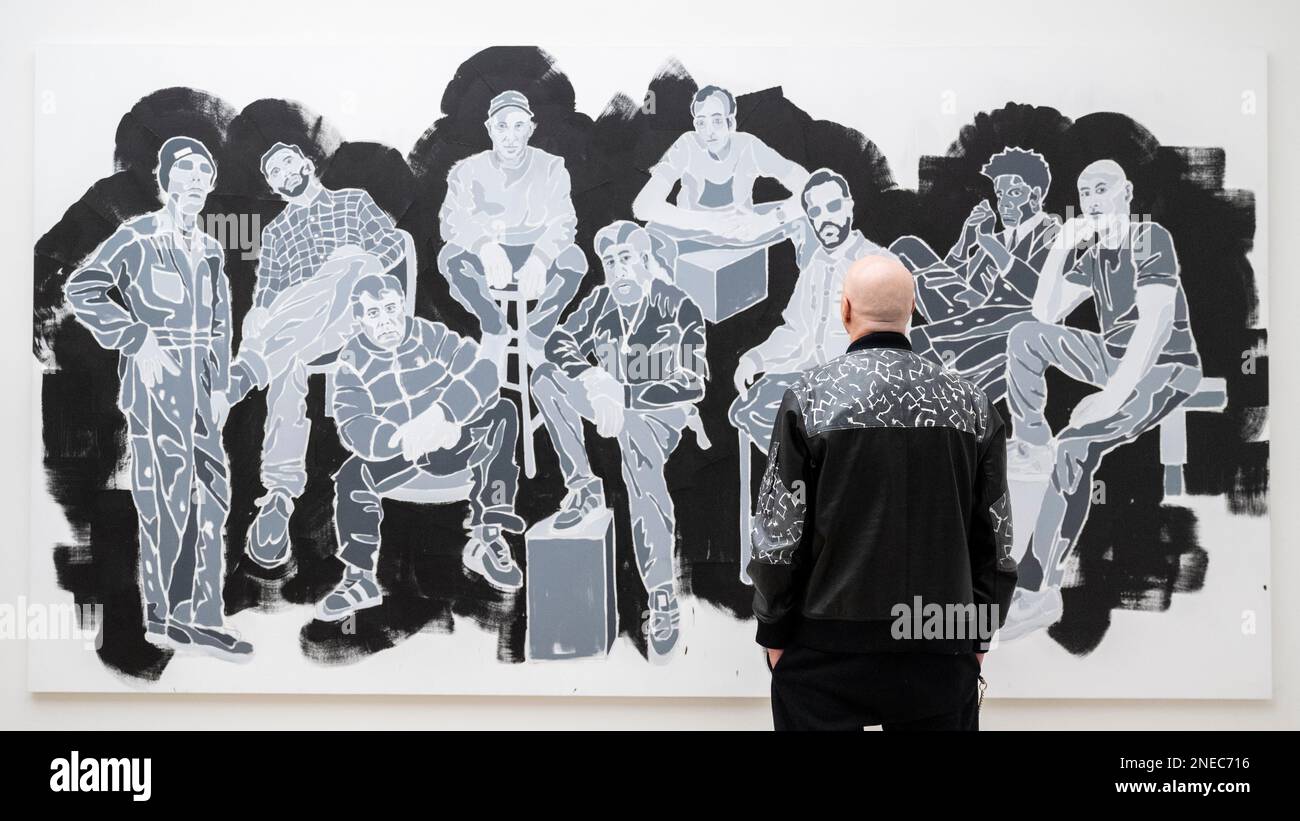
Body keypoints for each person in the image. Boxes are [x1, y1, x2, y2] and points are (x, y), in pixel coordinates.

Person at [749, 255, 1017, 730]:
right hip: (939, 644)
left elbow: (777, 535)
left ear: (845, 309)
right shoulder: (971, 403)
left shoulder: (810, 399)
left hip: (825, 651)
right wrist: (978, 635)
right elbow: (996, 539)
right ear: (912, 308)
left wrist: (773, 630)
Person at [64, 136, 252, 661]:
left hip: (202, 389)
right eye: (185, 170)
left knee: (213, 496)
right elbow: (83, 286)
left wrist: (219, 386)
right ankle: (167, 618)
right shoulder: (138, 236)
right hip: (155, 384)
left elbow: (220, 325)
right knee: (166, 500)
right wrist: (135, 337)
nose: (195, 180)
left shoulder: (210, 248)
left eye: (204, 173)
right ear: (165, 179)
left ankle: (202, 616)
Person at [999, 159, 1202, 639]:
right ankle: (1030, 440)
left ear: (1126, 193)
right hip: (1114, 355)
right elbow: (1045, 311)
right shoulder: (1096, 254)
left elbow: (1153, 329)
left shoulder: (1150, 239)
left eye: (1102, 189)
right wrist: (1061, 247)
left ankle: (1036, 588)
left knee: (1076, 447)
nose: (1092, 199)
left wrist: (1111, 398)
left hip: (1166, 366)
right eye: (1084, 191)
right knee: (1026, 335)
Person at [530, 220, 708, 661]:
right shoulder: (601, 300)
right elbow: (559, 343)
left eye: (625, 259)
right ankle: (584, 488)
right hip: (606, 401)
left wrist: (624, 395)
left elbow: (693, 382)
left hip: (659, 416)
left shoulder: (679, 305)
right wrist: (592, 378)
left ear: (645, 260)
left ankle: (662, 593)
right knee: (545, 379)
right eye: (609, 262)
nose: (617, 270)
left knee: (636, 450)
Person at [316, 272, 526, 621]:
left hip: (450, 436)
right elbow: (353, 424)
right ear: (359, 320)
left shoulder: (430, 335)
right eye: (374, 314)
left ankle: (487, 536)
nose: (386, 321)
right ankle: (358, 578)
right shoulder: (351, 362)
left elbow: (484, 372)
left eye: (391, 309)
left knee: (503, 411)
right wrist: (398, 437)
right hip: (402, 452)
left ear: (403, 306)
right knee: (352, 475)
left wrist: (446, 415)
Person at [237, 142, 408, 570]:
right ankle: (277, 497)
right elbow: (268, 293)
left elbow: (392, 247)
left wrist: (350, 264)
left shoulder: (352, 202)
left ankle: (247, 370)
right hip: (304, 333)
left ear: (306, 164)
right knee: (285, 353)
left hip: (356, 313)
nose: (283, 173)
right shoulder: (276, 233)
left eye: (287, 163)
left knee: (350, 262)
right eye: (274, 173)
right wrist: (259, 312)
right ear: (274, 186)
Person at [729, 168, 894, 451]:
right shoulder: (815, 264)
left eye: (832, 206)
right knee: (744, 411)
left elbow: (889, 349)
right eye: (816, 211)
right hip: (811, 379)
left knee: (809, 430)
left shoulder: (878, 263)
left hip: (857, 388)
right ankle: (801, 483)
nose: (825, 218)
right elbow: (794, 330)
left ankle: (814, 479)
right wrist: (755, 360)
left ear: (849, 205)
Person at [890, 147, 1062, 400]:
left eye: (1015, 193)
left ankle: (940, 364)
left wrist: (991, 246)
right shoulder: (999, 237)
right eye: (1001, 195)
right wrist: (965, 242)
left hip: (1011, 323)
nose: (1005, 203)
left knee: (916, 342)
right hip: (973, 312)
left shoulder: (1052, 233)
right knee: (906, 247)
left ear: (1035, 196)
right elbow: (958, 280)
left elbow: (1039, 294)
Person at [437, 90, 588, 367]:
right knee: (450, 258)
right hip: (489, 255)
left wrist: (541, 258)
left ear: (530, 129)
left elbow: (564, 221)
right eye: (502, 126)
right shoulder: (468, 170)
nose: (510, 136)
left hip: (534, 252)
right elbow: (451, 221)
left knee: (575, 260)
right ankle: (494, 327)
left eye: (519, 126)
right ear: (489, 129)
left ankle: (536, 334)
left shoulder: (552, 167)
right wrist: (485, 246)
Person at [632, 85, 809, 246]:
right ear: (695, 125)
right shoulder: (687, 145)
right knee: (651, 229)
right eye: (701, 122)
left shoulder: (749, 145)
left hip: (742, 239)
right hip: (689, 239)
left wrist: (767, 221)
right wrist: (707, 222)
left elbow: (808, 187)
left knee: (805, 218)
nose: (709, 132)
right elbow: (642, 206)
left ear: (730, 122)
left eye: (716, 121)